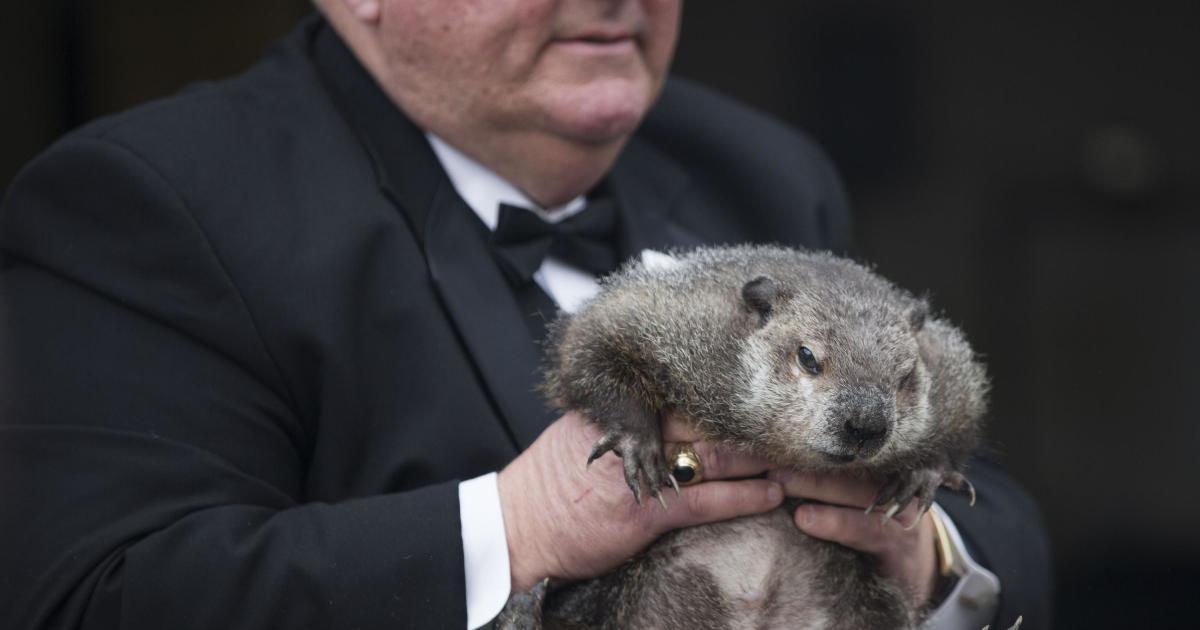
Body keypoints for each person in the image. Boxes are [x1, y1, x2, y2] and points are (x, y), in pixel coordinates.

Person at [0, 1, 1050, 628]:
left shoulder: (765, 171)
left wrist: (920, 556)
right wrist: (519, 526)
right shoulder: (151, 197)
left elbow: (993, 510)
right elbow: (99, 599)